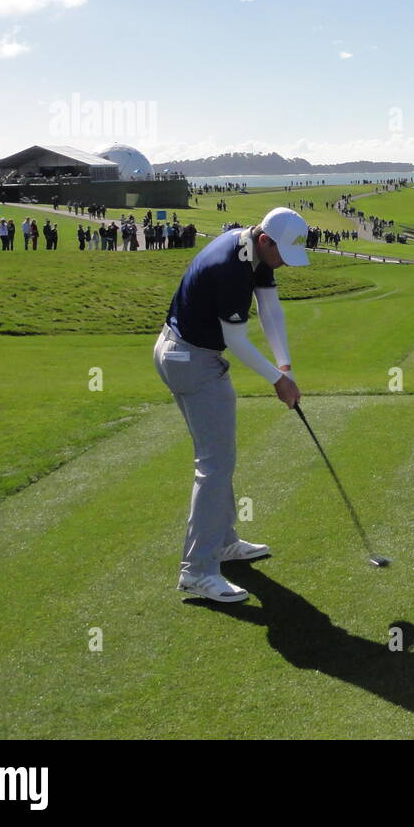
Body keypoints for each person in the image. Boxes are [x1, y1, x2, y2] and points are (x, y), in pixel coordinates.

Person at [154, 207, 310, 604]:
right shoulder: (231, 266)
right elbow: (237, 340)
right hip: (191, 359)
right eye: (282, 254)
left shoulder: (255, 251)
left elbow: (270, 310)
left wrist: (286, 366)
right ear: (266, 240)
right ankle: (197, 571)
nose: (283, 263)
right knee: (215, 465)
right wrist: (278, 381)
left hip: (187, 354)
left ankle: (223, 542)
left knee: (219, 458)